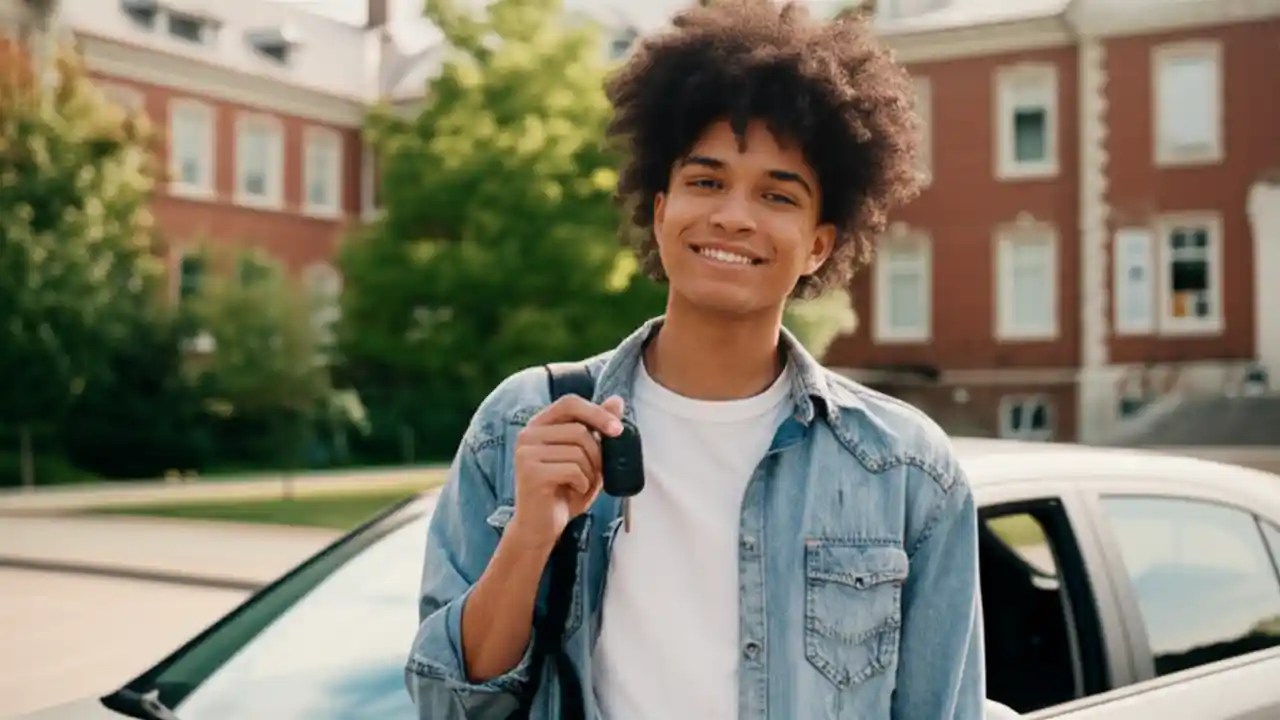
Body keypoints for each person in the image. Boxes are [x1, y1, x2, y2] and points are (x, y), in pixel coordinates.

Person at [405, 1, 985, 718]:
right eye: (706, 182)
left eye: (777, 194)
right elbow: (447, 704)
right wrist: (529, 538)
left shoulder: (907, 471)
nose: (733, 216)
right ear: (660, 209)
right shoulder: (525, 424)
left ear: (819, 244)